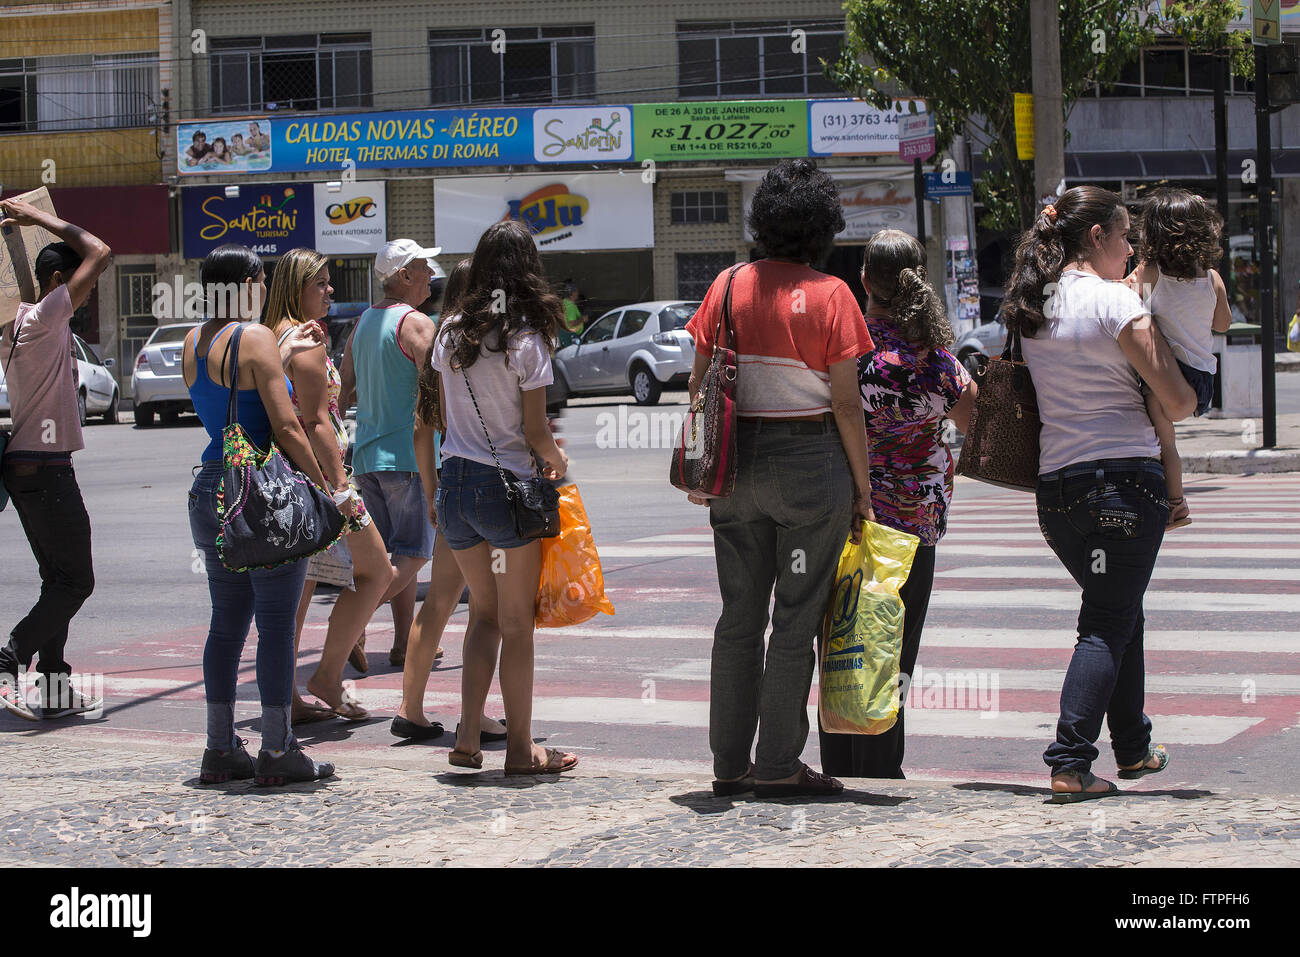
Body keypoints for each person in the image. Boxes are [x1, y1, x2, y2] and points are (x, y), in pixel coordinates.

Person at [684, 158, 876, 798]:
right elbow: (847, 405)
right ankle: (777, 765)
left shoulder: (728, 283)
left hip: (737, 469)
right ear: (823, 227)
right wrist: (864, 488)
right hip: (811, 470)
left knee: (738, 617)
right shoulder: (833, 295)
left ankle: (728, 765)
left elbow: (700, 385)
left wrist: (700, 462)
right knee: (795, 618)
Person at [1002, 185, 1197, 803]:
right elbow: (1180, 400)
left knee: (1119, 607)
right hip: (1121, 485)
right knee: (1107, 621)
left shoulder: (1034, 305)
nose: (1131, 248)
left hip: (1058, 493)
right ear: (1097, 238)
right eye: (1124, 236)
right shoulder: (1116, 303)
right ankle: (1069, 759)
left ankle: (1133, 746)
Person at [818, 229, 977, 779]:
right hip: (912, 529)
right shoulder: (936, 363)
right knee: (894, 649)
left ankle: (838, 759)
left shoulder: (847, 354)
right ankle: (881, 763)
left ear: (864, 280)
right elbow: (975, 424)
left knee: (841, 642)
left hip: (846, 519)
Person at [181, 243, 339, 785]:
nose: (267, 289)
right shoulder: (255, 338)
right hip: (261, 493)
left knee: (226, 626)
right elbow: (287, 425)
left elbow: (229, 394)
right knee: (275, 625)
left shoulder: (191, 341)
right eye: (261, 281)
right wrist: (326, 491)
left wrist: (280, 344)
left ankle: (220, 748)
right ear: (246, 285)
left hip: (210, 488)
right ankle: (277, 750)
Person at [433, 220, 576, 775]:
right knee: (517, 625)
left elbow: (449, 420)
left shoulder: (450, 332)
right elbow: (537, 434)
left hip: (456, 488)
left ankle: (468, 737)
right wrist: (559, 467)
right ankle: (520, 749)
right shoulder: (526, 339)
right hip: (507, 492)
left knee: (483, 618)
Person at [263, 248, 395, 724]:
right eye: (320, 283)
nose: (329, 290)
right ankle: (327, 675)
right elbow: (318, 421)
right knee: (379, 572)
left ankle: (290, 697)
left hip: (283, 480)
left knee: (298, 592)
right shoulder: (308, 341)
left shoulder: (268, 338)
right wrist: (340, 489)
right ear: (296, 288)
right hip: (320, 481)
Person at [0, 197, 110, 721]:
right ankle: (8, 660)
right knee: (77, 581)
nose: (85, 298)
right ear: (60, 281)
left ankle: (56, 688)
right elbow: (101, 251)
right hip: (45, 468)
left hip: (28, 466)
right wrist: (35, 217)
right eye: (78, 286)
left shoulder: (18, 323)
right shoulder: (47, 316)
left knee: (58, 579)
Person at [394, 259, 506, 743]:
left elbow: (422, 430)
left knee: (438, 603)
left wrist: (431, 489)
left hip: (449, 487)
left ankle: (410, 709)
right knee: (489, 609)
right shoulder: (478, 350)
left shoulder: (443, 347)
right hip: (484, 489)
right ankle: (475, 717)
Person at [339, 239, 440, 671]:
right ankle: (346, 628)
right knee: (415, 553)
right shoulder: (417, 324)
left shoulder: (363, 323)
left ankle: (404, 644)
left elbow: (341, 389)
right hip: (409, 458)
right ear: (404, 276)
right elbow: (440, 391)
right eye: (424, 267)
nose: (432, 274)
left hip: (368, 458)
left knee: (393, 558)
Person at [1125, 188, 1232, 529]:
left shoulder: (1150, 272)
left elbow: (1127, 305)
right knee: (1168, 441)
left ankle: (1175, 503)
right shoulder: (1212, 278)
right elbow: (1223, 323)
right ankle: (1173, 503)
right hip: (1203, 381)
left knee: (1165, 443)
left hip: (1170, 379)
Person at [559, 279, 584, 347]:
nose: (578, 293)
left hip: (565, 334)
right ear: (572, 293)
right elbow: (571, 323)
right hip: (571, 337)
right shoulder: (570, 306)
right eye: (576, 291)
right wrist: (583, 319)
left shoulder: (564, 302)